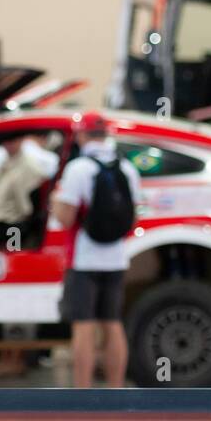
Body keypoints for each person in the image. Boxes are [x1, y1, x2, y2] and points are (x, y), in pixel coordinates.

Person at [50, 111, 141, 388]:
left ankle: (83, 392)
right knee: (112, 323)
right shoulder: (127, 168)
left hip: (84, 260)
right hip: (116, 259)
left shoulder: (79, 169)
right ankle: (115, 390)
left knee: (84, 325)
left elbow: (65, 217)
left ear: (81, 135)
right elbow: (133, 217)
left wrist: (55, 199)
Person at [0, 134, 61, 377]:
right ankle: (5, 356)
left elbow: (26, 209)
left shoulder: (28, 166)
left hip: (11, 232)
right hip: (0, 231)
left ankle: (14, 358)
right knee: (0, 300)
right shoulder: (7, 161)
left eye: (10, 140)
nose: (5, 144)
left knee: (13, 301)